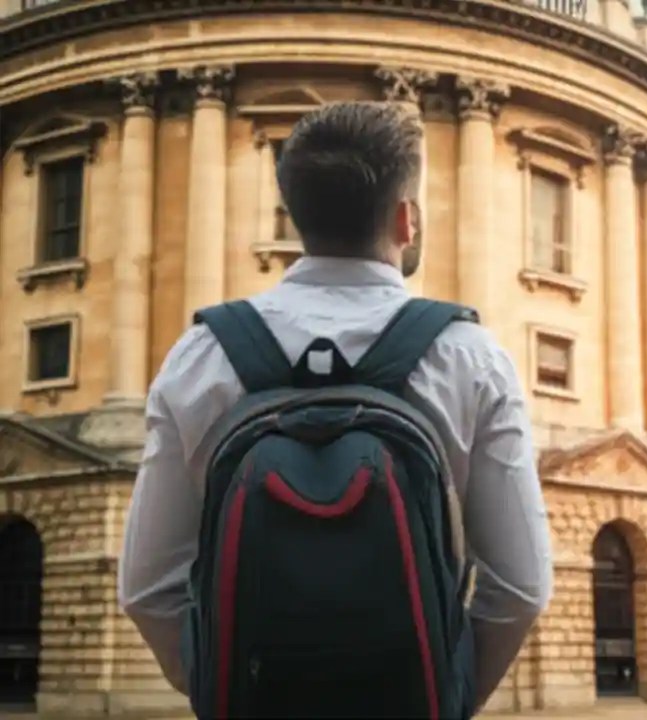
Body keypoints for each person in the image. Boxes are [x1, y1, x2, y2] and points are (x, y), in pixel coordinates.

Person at [118, 101, 554, 714]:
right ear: (406, 221)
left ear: (295, 215)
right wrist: (441, 697)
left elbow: (145, 589)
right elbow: (521, 588)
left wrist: (225, 690)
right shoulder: (471, 357)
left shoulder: (201, 355)